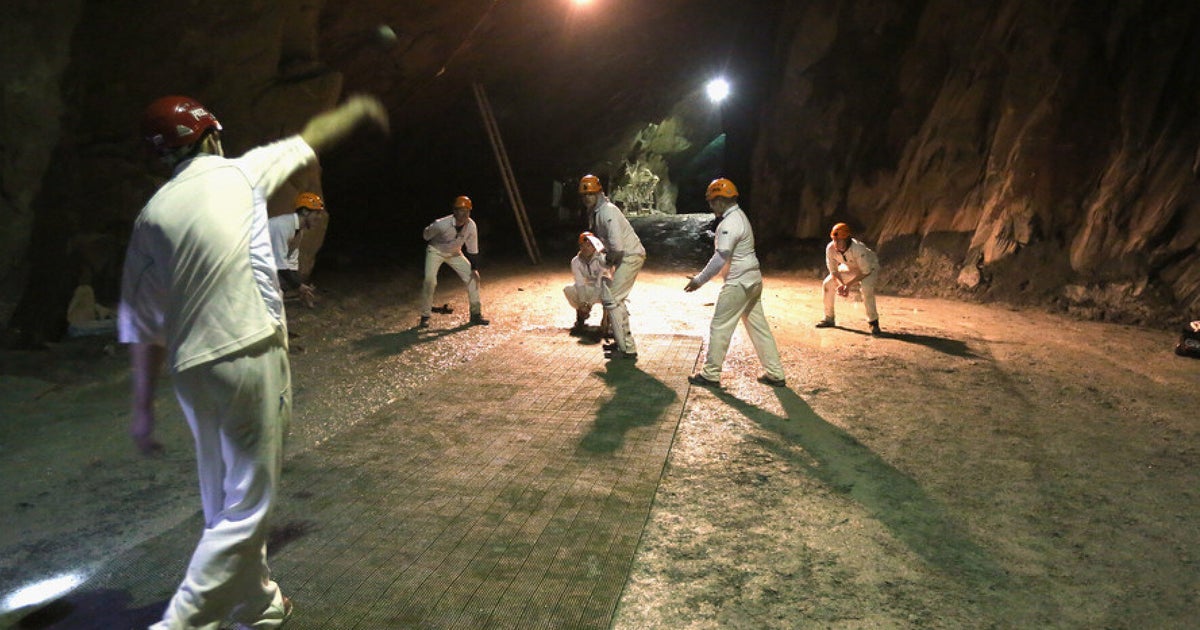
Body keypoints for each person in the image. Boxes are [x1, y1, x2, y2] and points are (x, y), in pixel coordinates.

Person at [118, 93, 388, 630]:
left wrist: (143, 408)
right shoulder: (241, 173)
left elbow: (140, 325)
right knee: (246, 507)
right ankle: (181, 623)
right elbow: (307, 140)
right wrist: (357, 110)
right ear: (209, 135)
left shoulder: (150, 216)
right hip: (248, 351)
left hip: (191, 370)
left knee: (224, 495)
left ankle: (258, 605)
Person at [685, 178, 787, 388]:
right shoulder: (740, 217)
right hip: (753, 279)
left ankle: (710, 374)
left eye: (712, 202)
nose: (711, 206)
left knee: (720, 326)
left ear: (721, 200)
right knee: (759, 328)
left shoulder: (729, 223)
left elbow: (721, 257)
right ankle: (775, 373)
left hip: (738, 282)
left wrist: (699, 280)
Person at [580, 173, 645, 359]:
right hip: (625, 256)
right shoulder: (598, 212)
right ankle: (624, 343)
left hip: (629, 256)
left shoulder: (607, 211)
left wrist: (607, 261)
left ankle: (626, 349)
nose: (587, 198)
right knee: (616, 299)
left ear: (599, 193)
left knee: (613, 300)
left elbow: (617, 245)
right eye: (584, 195)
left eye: (590, 194)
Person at [419, 195, 488, 328]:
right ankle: (425, 315)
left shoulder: (471, 226)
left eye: (467, 211)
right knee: (430, 280)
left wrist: (474, 269)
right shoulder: (441, 224)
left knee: (473, 278)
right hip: (436, 251)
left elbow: (473, 249)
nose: (464, 214)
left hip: (455, 253)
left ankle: (476, 314)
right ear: (454, 211)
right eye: (460, 210)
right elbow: (426, 235)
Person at [816, 222, 881, 334]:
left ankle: (873, 322)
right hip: (849, 266)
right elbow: (834, 271)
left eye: (839, 240)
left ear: (846, 239)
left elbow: (865, 271)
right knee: (828, 283)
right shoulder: (830, 248)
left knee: (866, 289)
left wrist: (848, 285)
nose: (836, 243)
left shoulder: (858, 248)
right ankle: (829, 318)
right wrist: (841, 284)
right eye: (834, 240)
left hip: (869, 267)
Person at [268, 192, 325, 308]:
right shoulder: (283, 226)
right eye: (317, 213)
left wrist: (300, 287)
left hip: (264, 265)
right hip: (245, 263)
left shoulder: (299, 231)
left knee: (283, 286)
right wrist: (299, 286)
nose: (319, 217)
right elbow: (280, 264)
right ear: (305, 211)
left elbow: (291, 262)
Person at [564, 231, 608, 335]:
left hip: (603, 289)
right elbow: (580, 283)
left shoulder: (603, 260)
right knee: (569, 290)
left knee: (611, 293)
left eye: (589, 245)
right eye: (583, 245)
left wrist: (590, 304)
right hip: (590, 288)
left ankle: (607, 321)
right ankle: (581, 317)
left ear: (594, 247)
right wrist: (583, 304)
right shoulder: (575, 261)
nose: (586, 248)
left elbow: (599, 284)